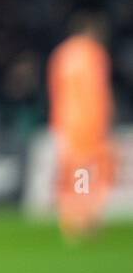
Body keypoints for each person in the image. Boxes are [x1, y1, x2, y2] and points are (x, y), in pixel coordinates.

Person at [47, 13, 115, 241]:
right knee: (90, 171)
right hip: (91, 120)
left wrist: (57, 121)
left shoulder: (61, 54)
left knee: (76, 171)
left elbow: (54, 91)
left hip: (67, 120)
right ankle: (86, 218)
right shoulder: (94, 53)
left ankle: (72, 218)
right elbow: (100, 90)